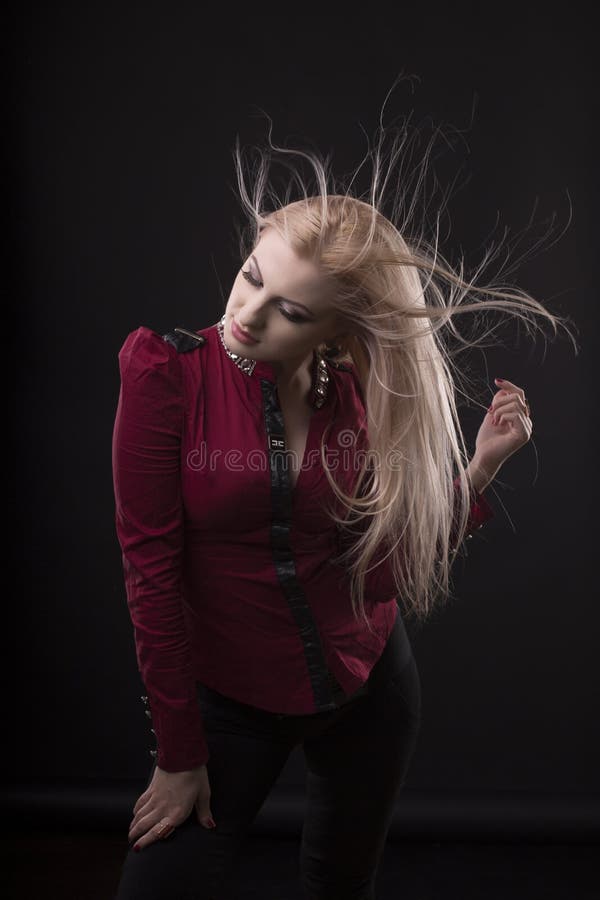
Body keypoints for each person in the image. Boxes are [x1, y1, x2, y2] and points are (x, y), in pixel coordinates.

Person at [110, 119, 574, 899]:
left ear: (336, 329)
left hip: (372, 688)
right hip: (230, 707)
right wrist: (179, 754)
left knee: (340, 888)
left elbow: (379, 571)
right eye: (252, 275)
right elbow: (149, 572)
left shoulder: (351, 394)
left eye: (292, 311)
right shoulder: (165, 378)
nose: (248, 314)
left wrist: (479, 470)